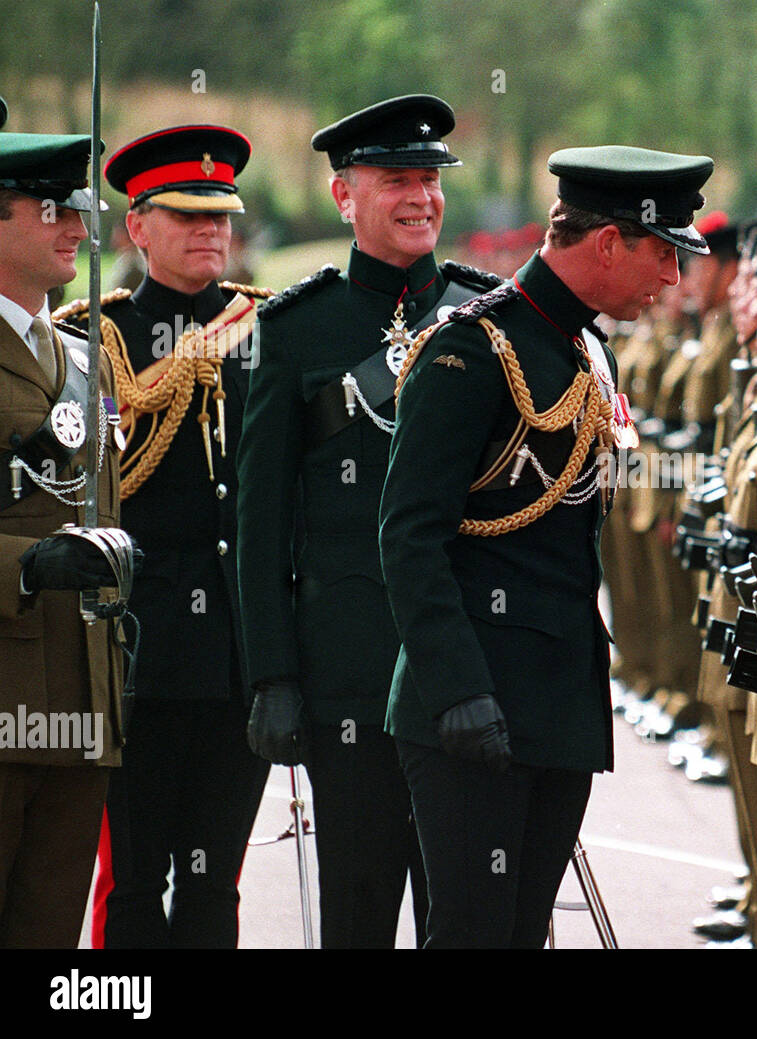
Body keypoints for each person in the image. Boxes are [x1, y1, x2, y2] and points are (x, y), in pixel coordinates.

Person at [380, 145, 713, 947]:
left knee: (522, 932)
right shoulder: (471, 350)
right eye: (663, 253)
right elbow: (408, 534)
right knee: (472, 932)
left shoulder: (584, 349)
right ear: (608, 244)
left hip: (556, 701)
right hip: (475, 703)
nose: (672, 278)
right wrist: (458, 688)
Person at [237, 94, 498, 948]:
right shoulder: (295, 330)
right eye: (397, 181)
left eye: (430, 179)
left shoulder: (484, 316)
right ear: (345, 196)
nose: (421, 197)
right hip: (346, 671)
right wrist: (273, 673)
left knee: (466, 913)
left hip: (464, 673)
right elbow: (261, 522)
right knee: (356, 909)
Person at [58, 124, 272, 948]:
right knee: (135, 883)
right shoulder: (90, 341)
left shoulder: (267, 335)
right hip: (136, 651)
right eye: (186, 216)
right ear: (137, 227)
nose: (209, 231)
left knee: (216, 883)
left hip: (237, 654)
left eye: (220, 216)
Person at [0, 130, 135, 947]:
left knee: (48, 937)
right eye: (52, 211)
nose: (77, 231)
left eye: (80, 212)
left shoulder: (89, 361)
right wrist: (27, 564)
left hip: (81, 707)